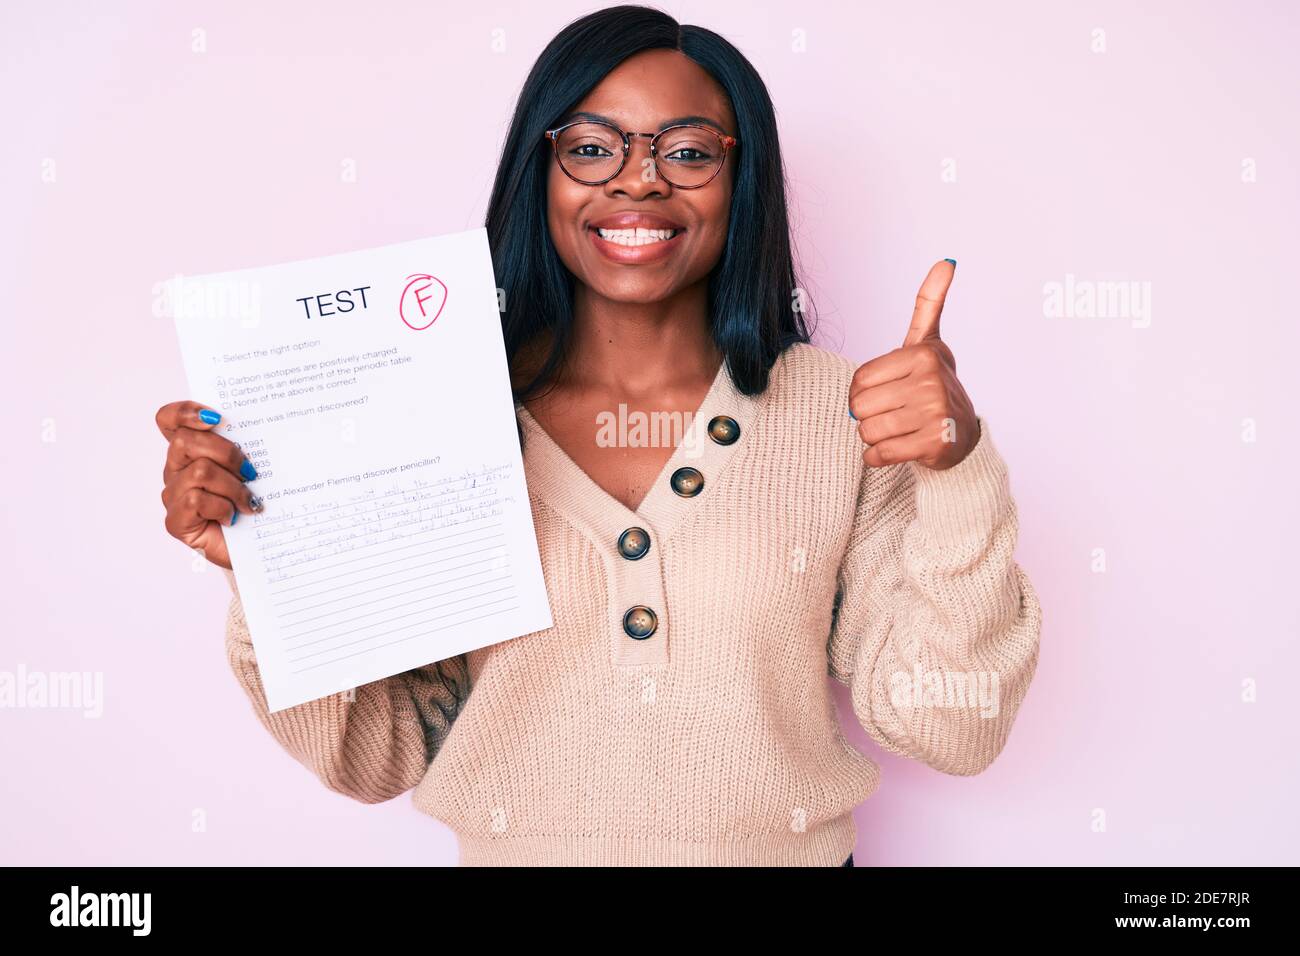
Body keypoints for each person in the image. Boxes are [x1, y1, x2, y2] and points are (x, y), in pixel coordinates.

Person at [155, 5, 1041, 867]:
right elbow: (375, 755)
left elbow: (950, 727)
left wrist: (958, 471)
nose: (637, 180)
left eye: (689, 152)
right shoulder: (434, 411)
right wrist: (274, 571)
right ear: (541, 173)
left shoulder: (841, 417)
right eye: (589, 148)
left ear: (745, 182)